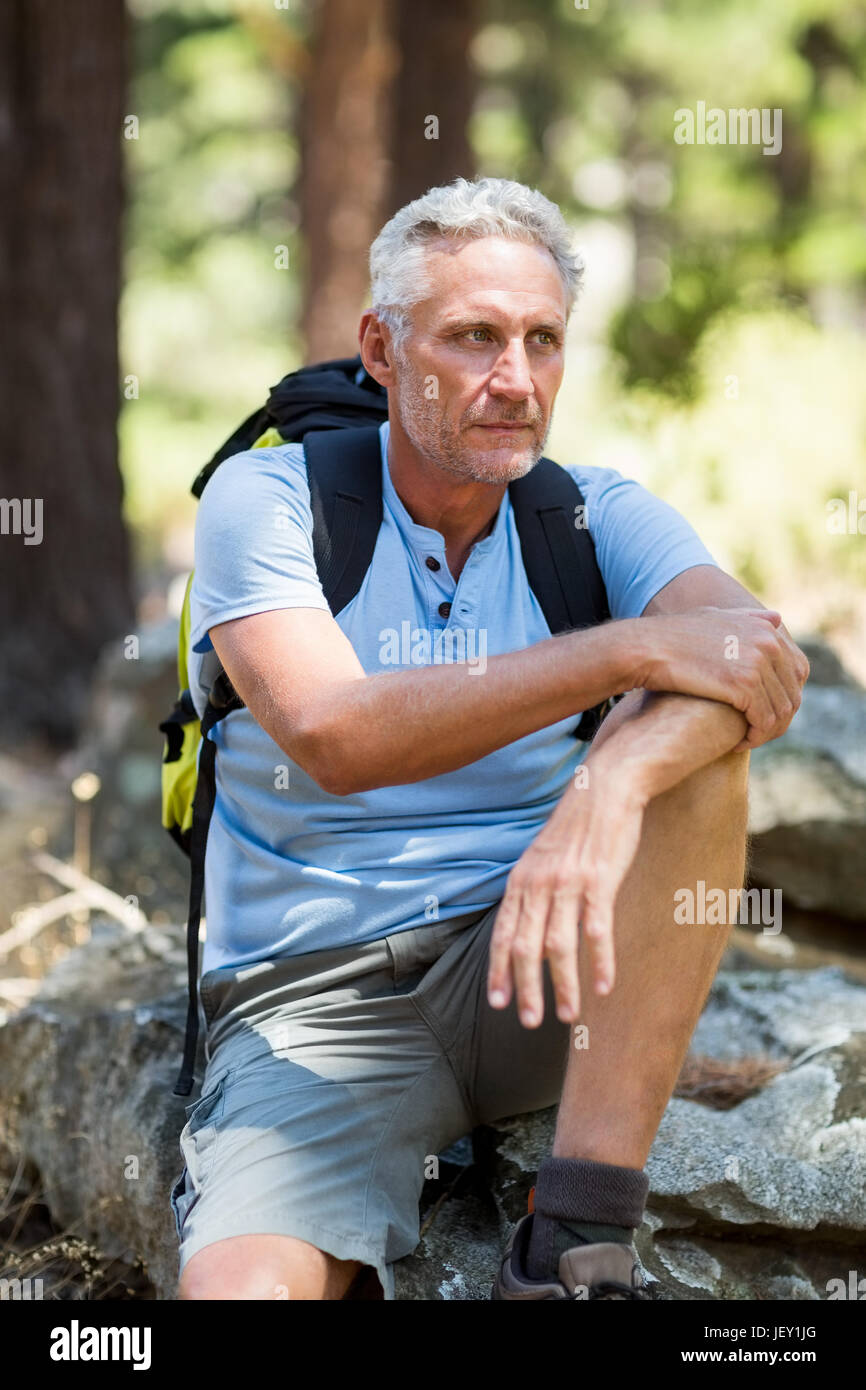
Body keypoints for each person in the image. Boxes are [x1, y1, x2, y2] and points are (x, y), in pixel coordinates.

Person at [170, 176, 808, 1301]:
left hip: (544, 958)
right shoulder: (265, 502)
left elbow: (752, 656)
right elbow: (336, 733)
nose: (514, 381)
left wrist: (607, 784)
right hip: (318, 1009)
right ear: (382, 344)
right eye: (472, 338)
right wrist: (623, 656)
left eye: (541, 341)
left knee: (694, 757)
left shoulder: (592, 513)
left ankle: (571, 1242)